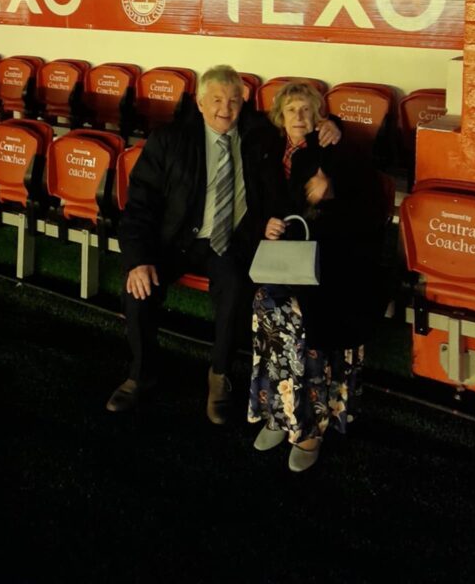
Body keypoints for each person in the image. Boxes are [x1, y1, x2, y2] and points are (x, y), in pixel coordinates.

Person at [106, 65, 341, 423]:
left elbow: (297, 115)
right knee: (138, 292)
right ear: (199, 102)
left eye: (233, 101)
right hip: (177, 241)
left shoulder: (258, 134)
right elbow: (140, 204)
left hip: (228, 242)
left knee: (235, 287)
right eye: (216, 100)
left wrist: (332, 123)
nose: (225, 109)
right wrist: (138, 259)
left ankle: (219, 376)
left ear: (243, 103)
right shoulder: (169, 139)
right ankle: (141, 374)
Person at [247, 81, 383, 471]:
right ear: (279, 116)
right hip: (282, 259)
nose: (299, 117)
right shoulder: (266, 148)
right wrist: (265, 224)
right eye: (291, 110)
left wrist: (332, 190)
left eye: (307, 109)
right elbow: (256, 204)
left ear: (319, 114)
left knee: (303, 323)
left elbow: (369, 204)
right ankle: (278, 414)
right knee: (267, 307)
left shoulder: (336, 147)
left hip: (331, 261)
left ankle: (308, 429)